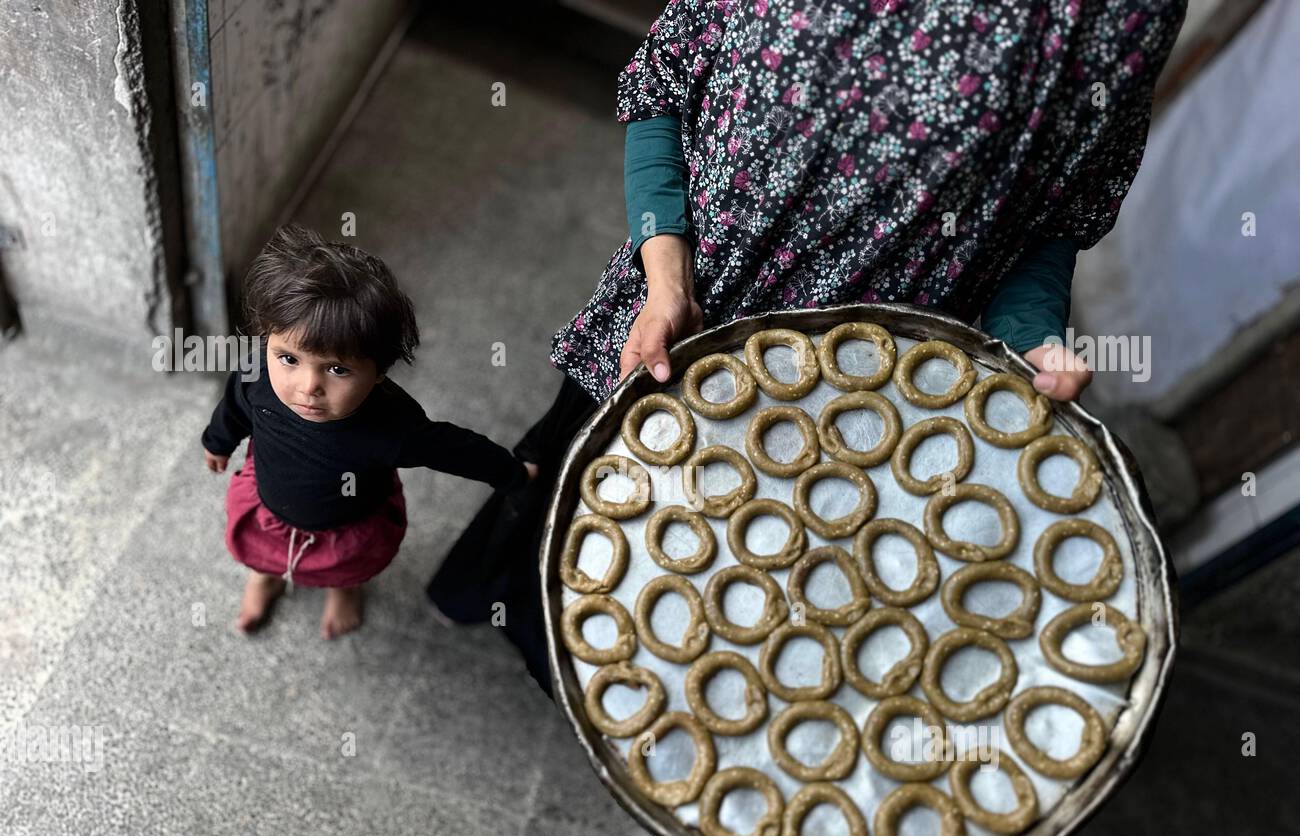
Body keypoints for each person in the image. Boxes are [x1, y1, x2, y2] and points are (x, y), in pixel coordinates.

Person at [428, 0, 1187, 694]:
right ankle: (534, 625)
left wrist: (1032, 341)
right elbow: (663, 82)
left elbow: (1050, 222)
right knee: (577, 502)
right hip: (675, 326)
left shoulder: (1116, 14)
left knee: (727, 570)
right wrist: (665, 279)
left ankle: (639, 687)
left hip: (851, 405)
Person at [202, 223, 537, 639]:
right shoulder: (256, 376)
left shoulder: (391, 426)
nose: (308, 386)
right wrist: (218, 441)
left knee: (345, 566)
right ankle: (268, 575)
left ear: (379, 372)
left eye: (337, 369)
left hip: (349, 525)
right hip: (268, 505)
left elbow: (454, 447)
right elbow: (235, 404)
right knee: (260, 550)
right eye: (288, 358)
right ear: (266, 338)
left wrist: (510, 473)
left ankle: (343, 588)